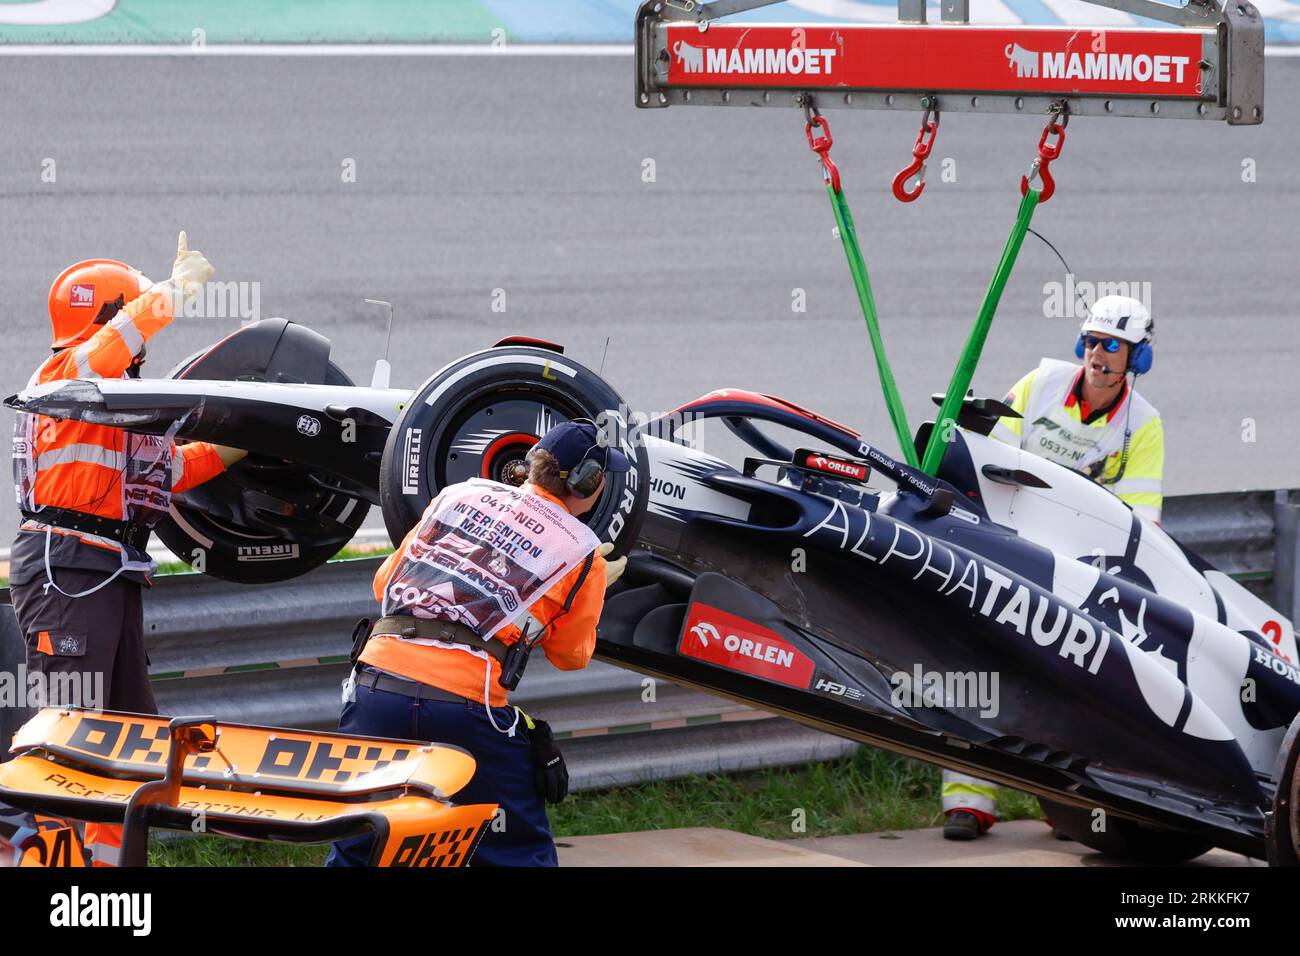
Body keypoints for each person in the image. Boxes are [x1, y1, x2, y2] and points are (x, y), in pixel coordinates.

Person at [8, 232, 247, 865]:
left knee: (135, 735)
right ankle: (55, 871)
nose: (143, 343)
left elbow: (173, 470)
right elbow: (115, 345)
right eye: (132, 315)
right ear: (108, 318)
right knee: (71, 737)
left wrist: (254, 436)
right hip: (68, 570)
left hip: (106, 571)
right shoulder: (67, 377)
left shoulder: (116, 406)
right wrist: (177, 291)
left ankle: (113, 878)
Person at [325, 420, 629, 867]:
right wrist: (592, 590)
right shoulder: (582, 555)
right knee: (517, 850)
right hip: (464, 707)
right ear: (590, 482)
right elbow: (570, 656)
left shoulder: (458, 495)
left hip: (376, 687)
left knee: (359, 838)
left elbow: (383, 583)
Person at [942, 294, 1162, 840]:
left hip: (1078, 571)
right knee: (975, 663)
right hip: (1007, 549)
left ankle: (1062, 804)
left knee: (1068, 682)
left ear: (1137, 358)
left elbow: (1140, 524)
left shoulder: (1146, 426)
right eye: (1091, 342)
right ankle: (968, 801)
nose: (1098, 355)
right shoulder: (1037, 384)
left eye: (1113, 345)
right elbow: (991, 465)